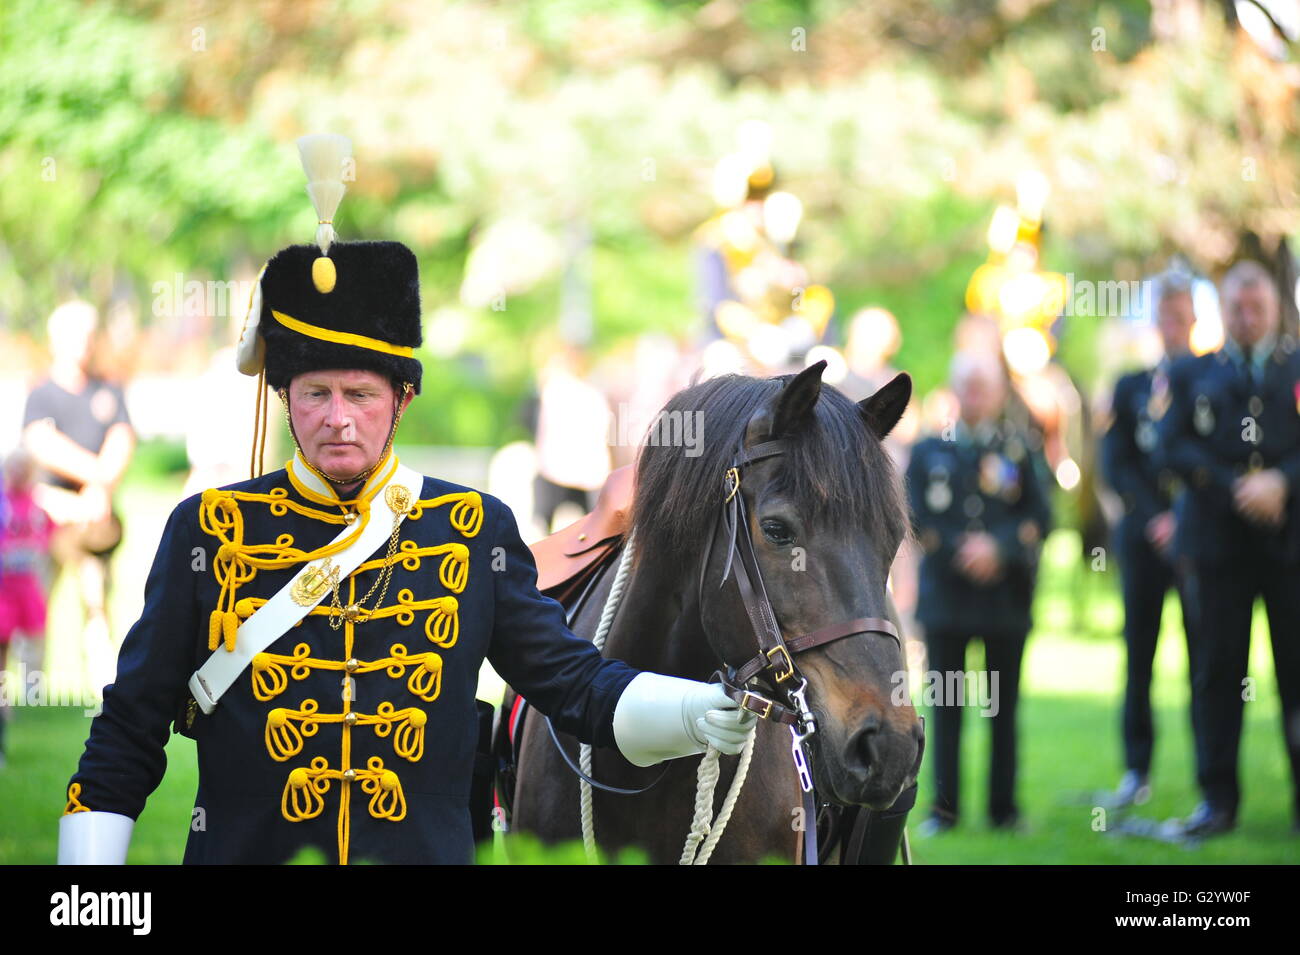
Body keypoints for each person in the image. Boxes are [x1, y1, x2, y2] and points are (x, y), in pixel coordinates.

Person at [58, 134, 756, 865]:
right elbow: (129, 727)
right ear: (283, 397)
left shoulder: (472, 528)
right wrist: (85, 892)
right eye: (315, 393)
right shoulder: (208, 527)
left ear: (402, 400)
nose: (337, 417)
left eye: (360, 394)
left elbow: (572, 684)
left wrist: (691, 713)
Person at [1158, 260, 1300, 837]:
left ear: (1273, 308)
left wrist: (1282, 482)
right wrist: (1233, 485)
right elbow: (1171, 449)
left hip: (1289, 549)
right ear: (1223, 311)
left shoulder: (1295, 365)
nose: (1247, 317)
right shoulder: (1191, 372)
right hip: (1217, 548)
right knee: (1217, 674)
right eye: (1237, 307)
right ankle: (1217, 802)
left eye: (1257, 307)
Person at [907, 351, 1052, 834]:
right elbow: (914, 518)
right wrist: (961, 549)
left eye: (983, 385)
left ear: (998, 392)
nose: (974, 394)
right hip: (947, 600)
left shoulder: (1019, 447)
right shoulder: (930, 449)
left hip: (1004, 601)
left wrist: (1000, 549)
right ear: (954, 389)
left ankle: (1003, 810)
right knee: (945, 711)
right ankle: (943, 811)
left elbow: (1041, 516)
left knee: (1002, 710)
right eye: (966, 385)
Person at [1098, 273, 1198, 808]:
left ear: (1195, 322)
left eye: (1182, 316)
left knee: (1208, 657)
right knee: (1139, 654)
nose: (1173, 325)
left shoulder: (1212, 379)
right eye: (1166, 315)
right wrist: (1157, 517)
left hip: (1200, 539)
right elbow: (1116, 462)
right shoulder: (1133, 386)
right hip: (1144, 540)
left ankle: (1212, 780)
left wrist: (1183, 517)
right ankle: (1137, 770)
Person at [21, 300, 135, 695]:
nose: (84, 344)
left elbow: (122, 440)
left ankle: (104, 689)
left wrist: (97, 492)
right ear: (56, 340)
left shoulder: (108, 390)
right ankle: (29, 692)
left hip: (94, 520)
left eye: (89, 335)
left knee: (97, 604)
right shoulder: (41, 394)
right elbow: (41, 445)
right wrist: (93, 483)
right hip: (48, 515)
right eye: (75, 336)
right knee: (35, 606)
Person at [0, 449, 54, 767]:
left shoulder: (37, 502)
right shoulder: (4, 502)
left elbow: (47, 536)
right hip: (5, 588)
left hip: (26, 587)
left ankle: (30, 691)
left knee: (32, 643)